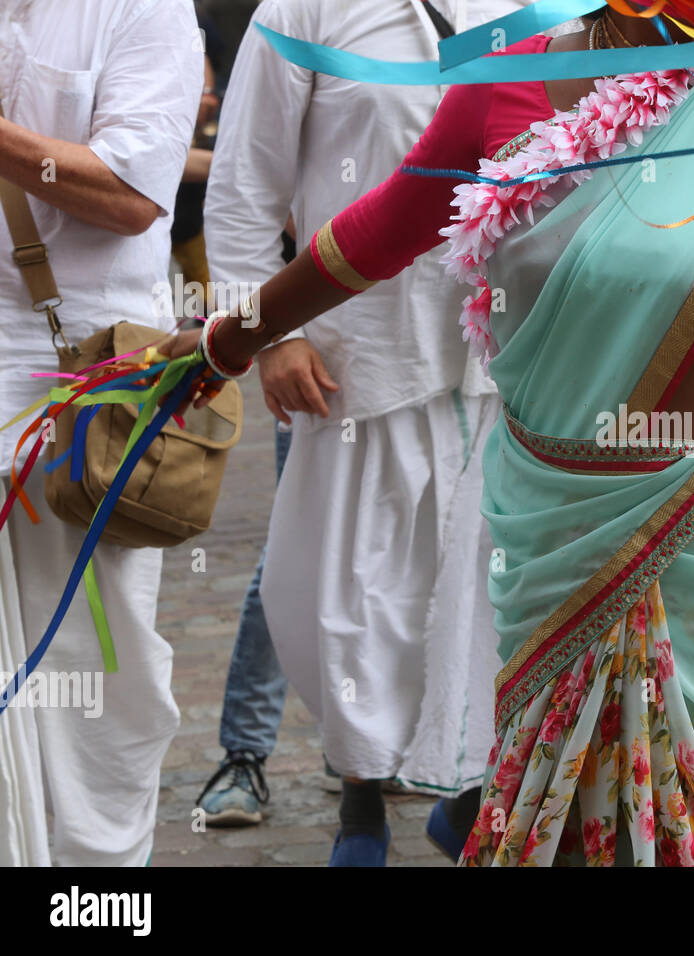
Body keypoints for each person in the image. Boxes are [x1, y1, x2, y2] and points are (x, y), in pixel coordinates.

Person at [166, 2, 694, 865]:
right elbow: (384, 228)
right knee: (574, 833)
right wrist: (231, 339)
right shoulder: (512, 76)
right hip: (558, 539)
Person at [195, 0, 528, 863]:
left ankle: (468, 791)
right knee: (354, 596)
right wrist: (273, 335)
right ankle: (361, 802)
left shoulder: (532, 9)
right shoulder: (304, 9)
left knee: (482, 591)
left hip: (497, 356)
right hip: (355, 356)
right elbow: (242, 189)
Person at [0, 0, 202, 866]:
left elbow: (132, 196)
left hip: (81, 401)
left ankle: (91, 893)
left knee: (93, 682)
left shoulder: (142, 8)